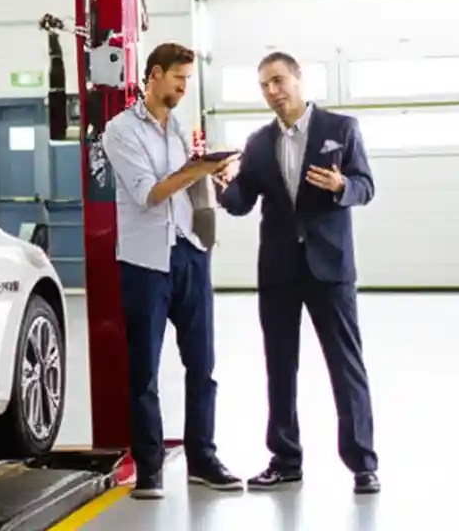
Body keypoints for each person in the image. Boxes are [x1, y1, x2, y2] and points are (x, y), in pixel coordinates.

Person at [213, 51, 381, 495]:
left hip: (330, 270)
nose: (273, 91)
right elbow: (242, 202)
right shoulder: (257, 142)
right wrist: (221, 185)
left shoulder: (340, 129)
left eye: (279, 81)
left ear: (299, 79)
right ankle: (285, 459)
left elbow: (366, 185)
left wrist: (343, 186)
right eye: (265, 85)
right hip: (279, 272)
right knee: (280, 368)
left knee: (346, 367)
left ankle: (363, 463)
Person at [101, 42, 243, 499]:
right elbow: (149, 193)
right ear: (155, 74)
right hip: (146, 264)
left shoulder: (179, 127)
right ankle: (150, 468)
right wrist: (197, 167)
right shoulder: (119, 131)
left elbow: (183, 186)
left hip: (190, 252)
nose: (184, 87)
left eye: (188, 81)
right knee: (144, 370)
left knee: (202, 365)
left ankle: (202, 458)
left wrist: (211, 174)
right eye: (178, 79)